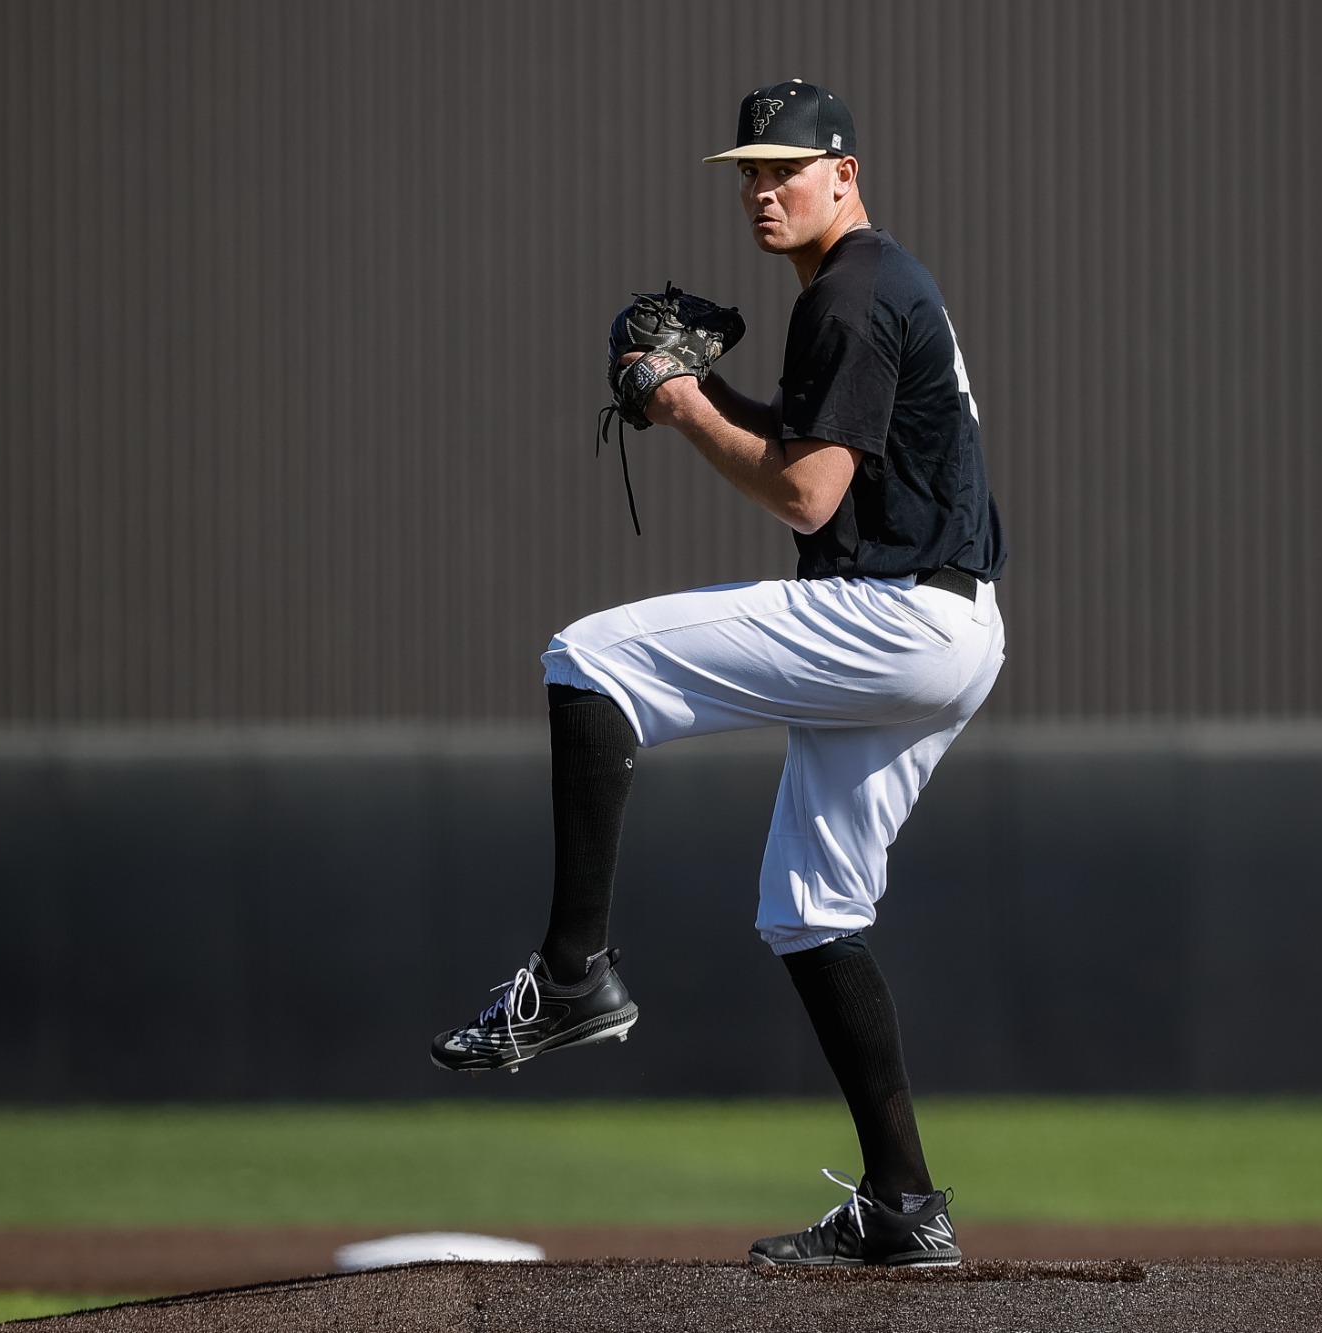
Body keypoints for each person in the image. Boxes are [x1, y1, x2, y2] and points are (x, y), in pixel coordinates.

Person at [431, 78, 1006, 1269]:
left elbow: (804, 494)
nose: (761, 187)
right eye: (747, 169)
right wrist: (707, 403)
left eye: (785, 166)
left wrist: (682, 400)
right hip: (941, 625)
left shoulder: (847, 294)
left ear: (843, 172)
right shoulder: (872, 283)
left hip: (888, 617)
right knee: (811, 908)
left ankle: (572, 972)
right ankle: (904, 1205)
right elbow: (807, 455)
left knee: (588, 656)